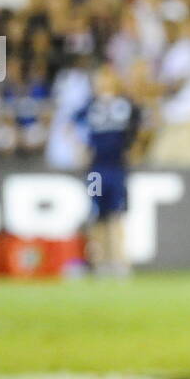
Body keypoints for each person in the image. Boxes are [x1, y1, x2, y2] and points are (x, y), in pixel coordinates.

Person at [75, 64, 141, 277]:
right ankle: (100, 261)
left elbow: (140, 126)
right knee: (97, 214)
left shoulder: (125, 104)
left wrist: (136, 149)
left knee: (117, 214)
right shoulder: (90, 105)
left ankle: (119, 260)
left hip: (117, 167)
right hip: (96, 168)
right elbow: (70, 124)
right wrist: (80, 149)